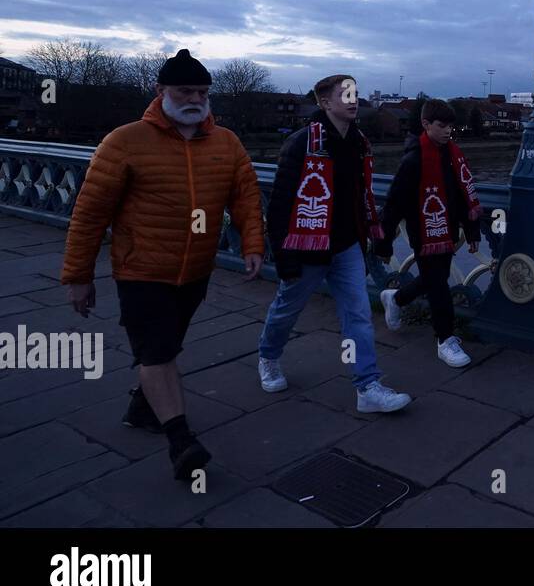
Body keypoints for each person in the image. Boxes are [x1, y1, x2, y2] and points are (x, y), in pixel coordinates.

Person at [61, 50, 265, 481]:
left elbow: (245, 196)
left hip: (196, 269)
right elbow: (90, 213)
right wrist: (79, 276)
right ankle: (180, 440)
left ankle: (143, 408)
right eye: (185, 90)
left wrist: (252, 244)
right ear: (160, 92)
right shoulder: (125, 141)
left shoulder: (226, 142)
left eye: (202, 91)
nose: (195, 98)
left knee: (167, 345)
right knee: (158, 350)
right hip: (141, 269)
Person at [257, 75, 411, 413]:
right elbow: (281, 204)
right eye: (345, 95)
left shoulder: (359, 144)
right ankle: (268, 357)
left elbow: (361, 196)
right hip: (308, 248)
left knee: (357, 315)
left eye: (355, 93)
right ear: (325, 103)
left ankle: (367, 385)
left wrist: (374, 234)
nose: (354, 99)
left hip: (345, 246)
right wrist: (284, 256)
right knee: (287, 310)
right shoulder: (301, 144)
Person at [375, 99, 483, 367]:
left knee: (436, 277)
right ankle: (445, 339)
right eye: (442, 125)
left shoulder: (452, 155)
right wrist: (384, 243)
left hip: (448, 229)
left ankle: (396, 298)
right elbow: (394, 204)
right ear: (426, 125)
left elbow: (461, 196)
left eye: (451, 126)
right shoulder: (414, 160)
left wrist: (471, 230)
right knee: (438, 284)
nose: (448, 131)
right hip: (424, 231)